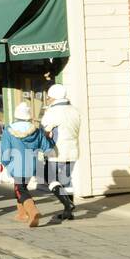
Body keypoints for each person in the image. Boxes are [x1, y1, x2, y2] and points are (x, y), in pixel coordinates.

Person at [0, 102, 52, 227]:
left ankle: (33, 211)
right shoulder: (37, 130)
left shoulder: (9, 130)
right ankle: (22, 214)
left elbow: (5, 150)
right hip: (32, 164)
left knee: (20, 189)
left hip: (16, 164)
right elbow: (47, 148)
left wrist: (6, 163)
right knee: (21, 187)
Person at [40, 85, 82, 222]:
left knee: (49, 177)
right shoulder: (75, 110)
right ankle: (68, 212)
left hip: (56, 150)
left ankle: (67, 204)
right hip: (73, 149)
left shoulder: (52, 112)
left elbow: (45, 129)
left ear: (54, 97)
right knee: (66, 181)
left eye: (49, 97)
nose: (48, 99)